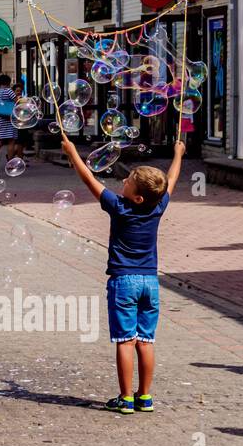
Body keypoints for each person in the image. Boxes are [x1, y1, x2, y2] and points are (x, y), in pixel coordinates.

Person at [62, 134, 184, 413]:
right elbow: (172, 181)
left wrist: (71, 152)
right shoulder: (157, 207)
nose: (122, 183)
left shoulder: (119, 207)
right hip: (150, 283)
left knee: (125, 340)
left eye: (127, 182)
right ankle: (145, 396)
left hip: (123, 282)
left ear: (137, 196)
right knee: (146, 340)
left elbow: (88, 180)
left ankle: (126, 397)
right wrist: (178, 154)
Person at [0, 74, 20, 162]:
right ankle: (10, 162)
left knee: (1, 139)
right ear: (8, 82)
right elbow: (17, 102)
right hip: (9, 118)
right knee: (11, 140)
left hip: (0, 118)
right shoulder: (9, 91)